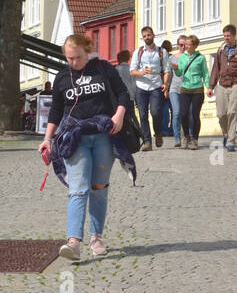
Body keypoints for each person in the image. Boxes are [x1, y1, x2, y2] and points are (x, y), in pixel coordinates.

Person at [40, 32, 132, 262]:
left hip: (103, 135)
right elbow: (56, 110)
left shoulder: (102, 69)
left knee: (99, 186)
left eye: (78, 58)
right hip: (75, 138)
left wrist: (119, 115)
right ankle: (73, 243)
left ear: (87, 52)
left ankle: (96, 237)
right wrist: (47, 138)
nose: (73, 63)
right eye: (69, 58)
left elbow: (123, 94)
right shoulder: (62, 78)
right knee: (78, 187)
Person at [207, 24, 237, 152]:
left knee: (232, 112)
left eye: (228, 36)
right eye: (224, 36)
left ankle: (231, 141)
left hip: (235, 84)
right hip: (222, 85)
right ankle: (226, 134)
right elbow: (216, 69)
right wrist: (211, 86)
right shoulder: (221, 50)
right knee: (221, 114)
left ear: (234, 36)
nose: (226, 38)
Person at [130, 26, 168, 151]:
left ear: (153, 35)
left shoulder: (161, 52)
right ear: (143, 38)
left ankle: (158, 133)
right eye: (145, 36)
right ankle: (147, 141)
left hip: (156, 85)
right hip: (141, 86)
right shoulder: (138, 52)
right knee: (142, 114)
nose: (147, 38)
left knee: (156, 112)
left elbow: (167, 70)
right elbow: (132, 71)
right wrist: (142, 73)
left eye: (149, 35)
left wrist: (165, 83)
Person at [177, 35, 209, 149]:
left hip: (197, 89)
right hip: (185, 88)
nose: (186, 46)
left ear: (195, 46)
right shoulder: (182, 57)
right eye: (185, 44)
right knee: (183, 114)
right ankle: (186, 136)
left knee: (195, 115)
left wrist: (209, 87)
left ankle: (195, 139)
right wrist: (176, 68)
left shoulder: (200, 58)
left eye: (188, 44)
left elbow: (205, 73)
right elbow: (179, 73)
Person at [166, 37, 186, 148]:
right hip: (174, 89)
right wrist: (166, 88)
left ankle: (186, 136)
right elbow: (168, 74)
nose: (182, 47)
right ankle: (177, 137)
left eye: (184, 45)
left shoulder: (189, 57)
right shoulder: (172, 58)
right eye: (180, 45)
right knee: (177, 112)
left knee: (187, 114)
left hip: (187, 89)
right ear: (177, 45)